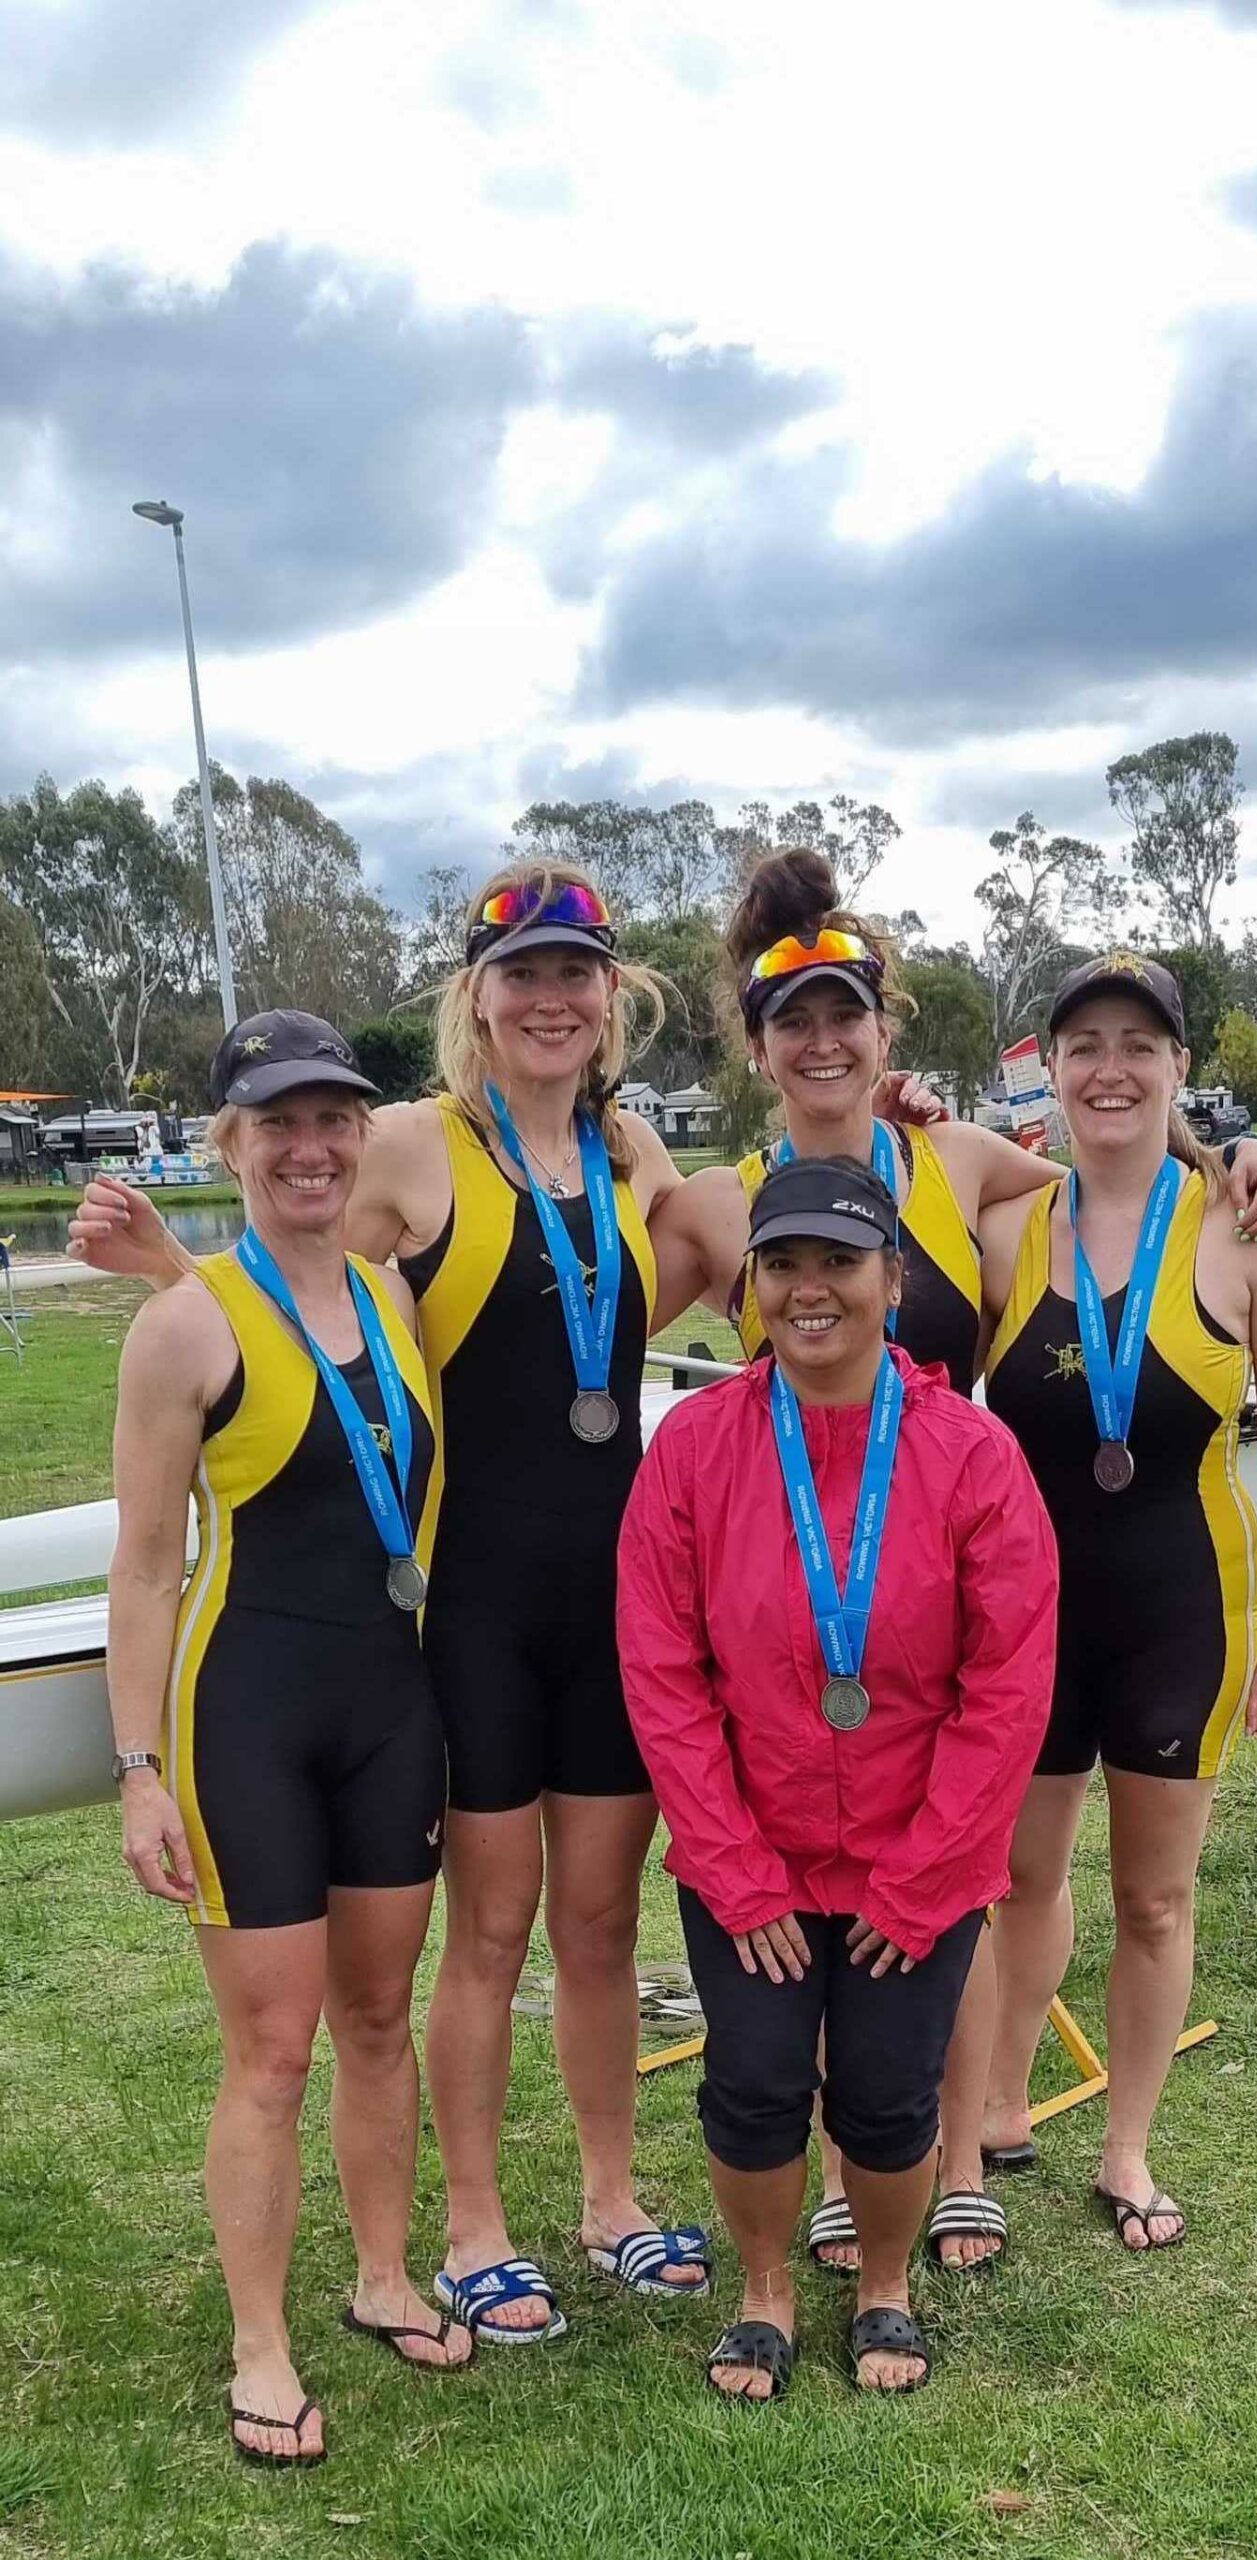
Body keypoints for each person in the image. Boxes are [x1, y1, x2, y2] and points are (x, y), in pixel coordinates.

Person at [75, 864, 710, 2339]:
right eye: (520, 976)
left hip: (611, 1612)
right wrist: (166, 1269)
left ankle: (611, 2200)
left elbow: (728, 1255)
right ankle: (476, 2226)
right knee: (491, 1933)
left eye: (576, 975)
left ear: (611, 997)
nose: (550, 1001)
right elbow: (289, 1310)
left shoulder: (630, 1153)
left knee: (604, 1922)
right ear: (474, 1001)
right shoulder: (409, 1146)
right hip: (470, 1620)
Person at [648, 850, 1257, 2274]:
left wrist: (1233, 1152)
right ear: (756, 1047)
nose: (824, 1045)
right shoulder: (718, 1201)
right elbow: (564, 1327)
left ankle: (951, 2155)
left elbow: (1111, 1173)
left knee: (945, 1883)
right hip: (805, 1617)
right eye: (793, 1024)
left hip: (959, 1590)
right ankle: (847, 2167)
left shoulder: (956, 1164)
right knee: (846, 1886)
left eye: (849, 1018)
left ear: (887, 1031)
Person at [618, 1156, 1057, 2398]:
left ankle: (882, 2283)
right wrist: (733, 1871)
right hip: (748, 1854)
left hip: (916, 1857)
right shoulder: (693, 1450)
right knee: (752, 2086)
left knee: (885, 2097)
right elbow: (663, 1671)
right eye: (783, 1263)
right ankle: (763, 2291)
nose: (811, 1290)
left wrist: (923, 1879)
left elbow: (1007, 1685)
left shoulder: (973, 1458)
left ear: (894, 1279)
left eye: (839, 1262)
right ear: (749, 1282)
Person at [105, 1013, 470, 2470]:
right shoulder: (181, 1323)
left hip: (393, 1711)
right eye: (278, 1122)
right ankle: (261, 2343)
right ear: (230, 1144)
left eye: (333, 1118)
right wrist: (137, 1772)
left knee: (381, 2020)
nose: (311, 1147)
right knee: (272, 2048)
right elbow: (142, 1566)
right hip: (245, 1716)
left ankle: (383, 2276)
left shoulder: (390, 1293)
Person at [978, 953, 1257, 2250]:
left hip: (1184, 1608)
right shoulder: (1008, 1226)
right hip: (1025, 1621)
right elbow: (918, 1171)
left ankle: (1125, 2150)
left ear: (1180, 1069)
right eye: (1084, 1048)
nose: (1110, 1069)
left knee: (1153, 1899)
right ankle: (999, 2105)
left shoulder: (1247, 1228)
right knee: (1017, 1872)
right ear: (1052, 1072)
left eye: (1139, 1045)